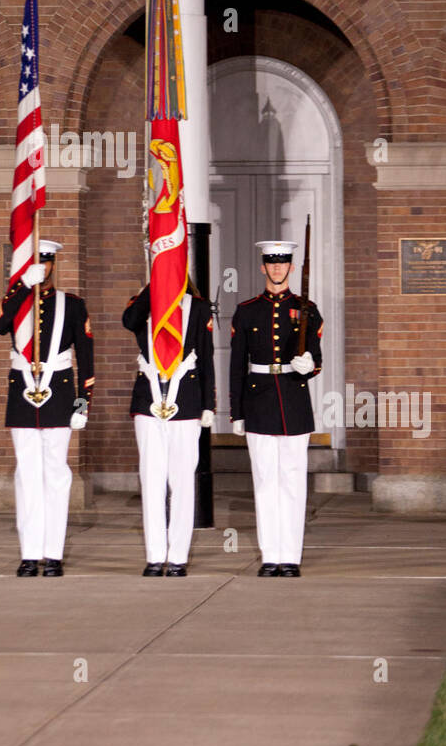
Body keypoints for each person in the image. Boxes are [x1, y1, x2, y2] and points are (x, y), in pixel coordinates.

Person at [0, 240, 94, 577]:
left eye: (48, 263)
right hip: (22, 396)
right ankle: (30, 553)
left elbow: (87, 361)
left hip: (60, 397)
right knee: (27, 475)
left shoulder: (73, 306)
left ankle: (54, 552)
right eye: (38, 263)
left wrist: (82, 405)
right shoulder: (18, 303)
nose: (44, 269)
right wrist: (22, 286)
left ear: (54, 265)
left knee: (56, 475)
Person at [229, 239, 323, 578]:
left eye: (283, 263)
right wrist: (236, 412)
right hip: (258, 401)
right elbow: (237, 366)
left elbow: (317, 356)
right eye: (272, 263)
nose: (277, 268)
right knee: (265, 481)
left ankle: (291, 556)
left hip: (294, 401)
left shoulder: (306, 308)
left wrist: (308, 365)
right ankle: (271, 555)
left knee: (293, 481)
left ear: (292, 267)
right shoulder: (247, 310)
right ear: (263, 267)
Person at [122, 282, 215, 577]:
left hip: (186, 402)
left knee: (182, 482)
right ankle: (154, 555)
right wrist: (153, 287)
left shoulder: (198, 308)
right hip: (148, 399)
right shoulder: (144, 302)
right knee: (151, 481)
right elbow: (129, 322)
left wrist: (209, 404)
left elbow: (207, 357)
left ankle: (177, 556)